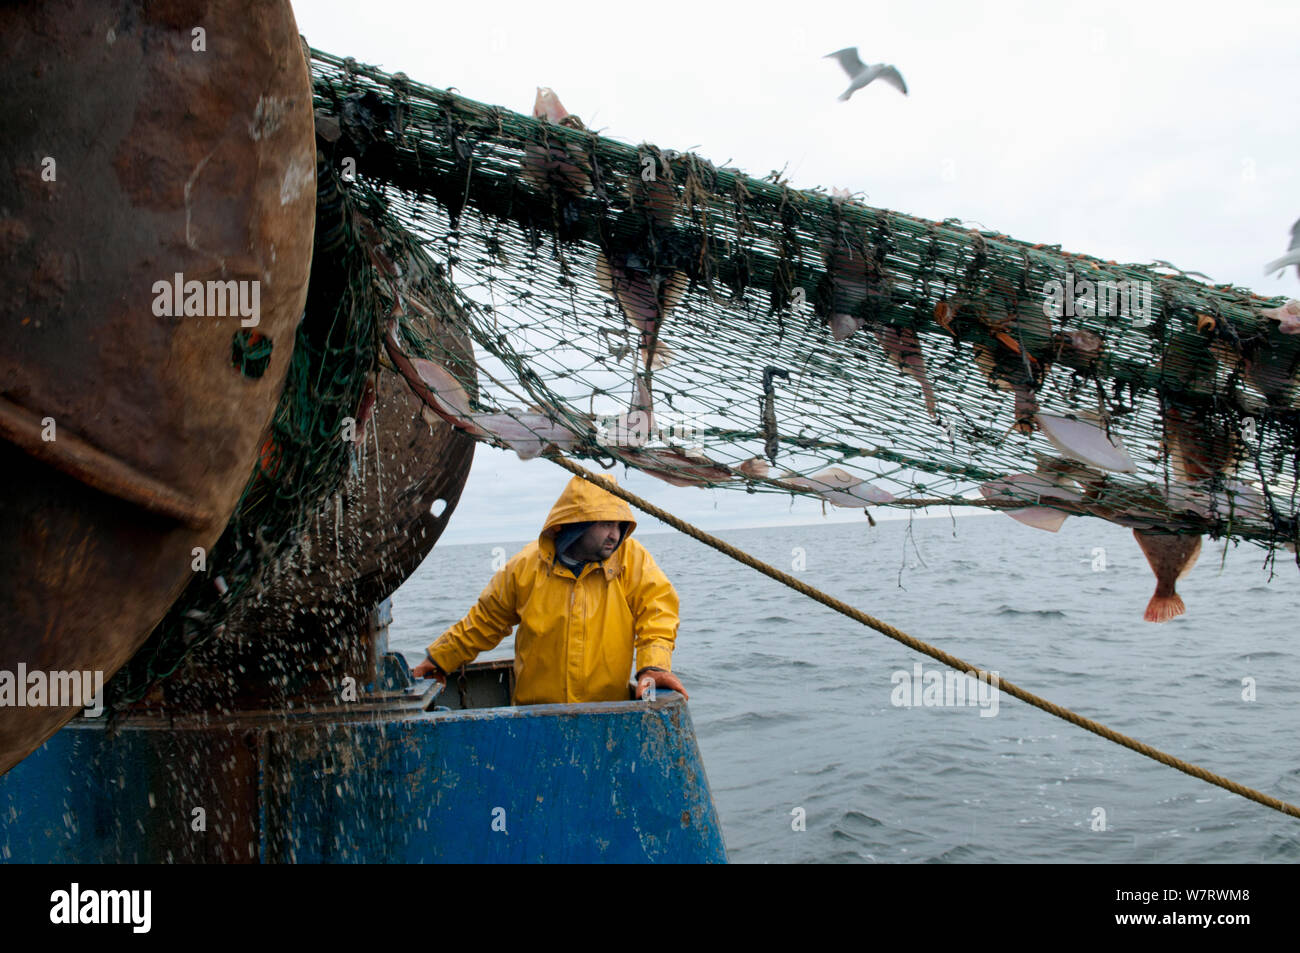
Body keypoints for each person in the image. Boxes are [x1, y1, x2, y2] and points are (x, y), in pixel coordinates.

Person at [412, 474, 688, 704]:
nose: (615, 535)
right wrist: (438, 659)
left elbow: (657, 612)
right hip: (535, 718)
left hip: (608, 715)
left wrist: (653, 667)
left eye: (619, 525)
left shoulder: (632, 559)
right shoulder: (525, 566)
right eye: (606, 523)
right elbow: (485, 621)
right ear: (578, 522)